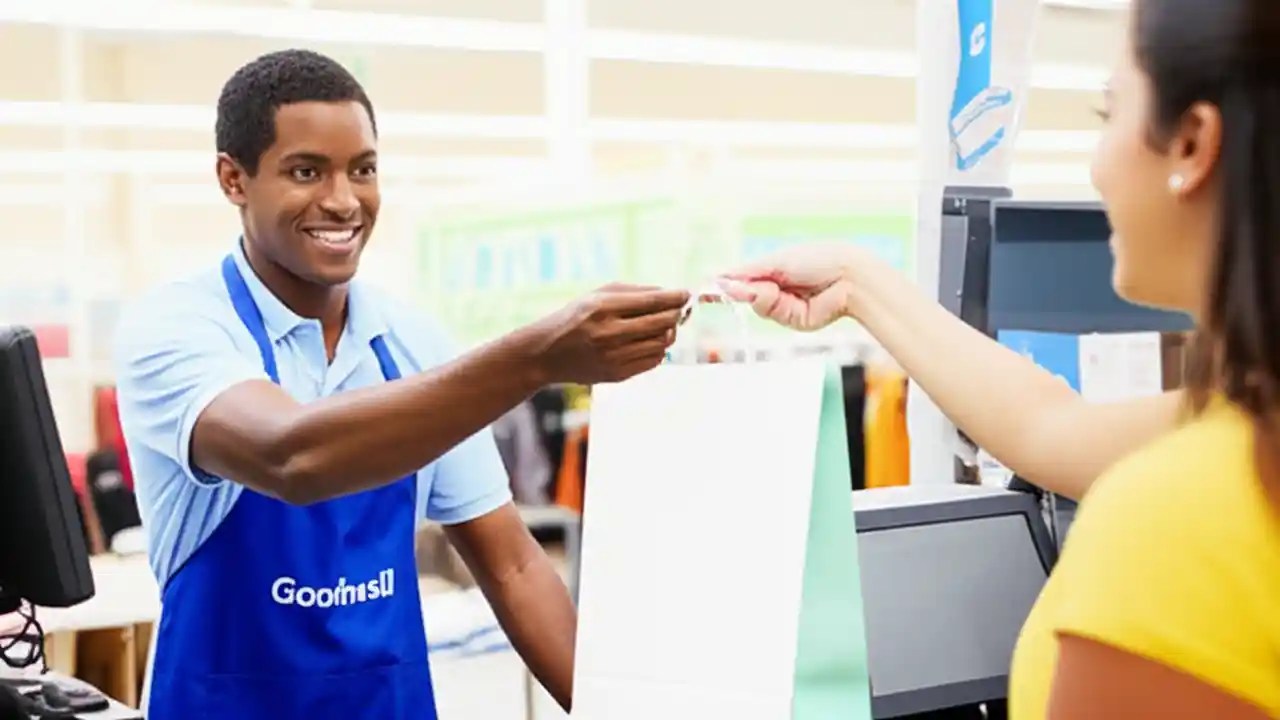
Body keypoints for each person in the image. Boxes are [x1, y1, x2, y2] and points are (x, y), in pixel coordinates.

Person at [720, 0, 1280, 717]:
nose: (1098, 166)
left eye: (1107, 114)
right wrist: (856, 280)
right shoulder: (1238, 436)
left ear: (1194, 143)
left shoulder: (1162, 525)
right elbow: (1053, 429)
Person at [114, 49, 688, 720]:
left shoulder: (412, 343)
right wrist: (536, 358)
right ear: (233, 179)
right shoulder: (179, 328)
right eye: (306, 171)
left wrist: (610, 710)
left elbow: (514, 566)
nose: (342, 199)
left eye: (363, 169)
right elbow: (290, 457)